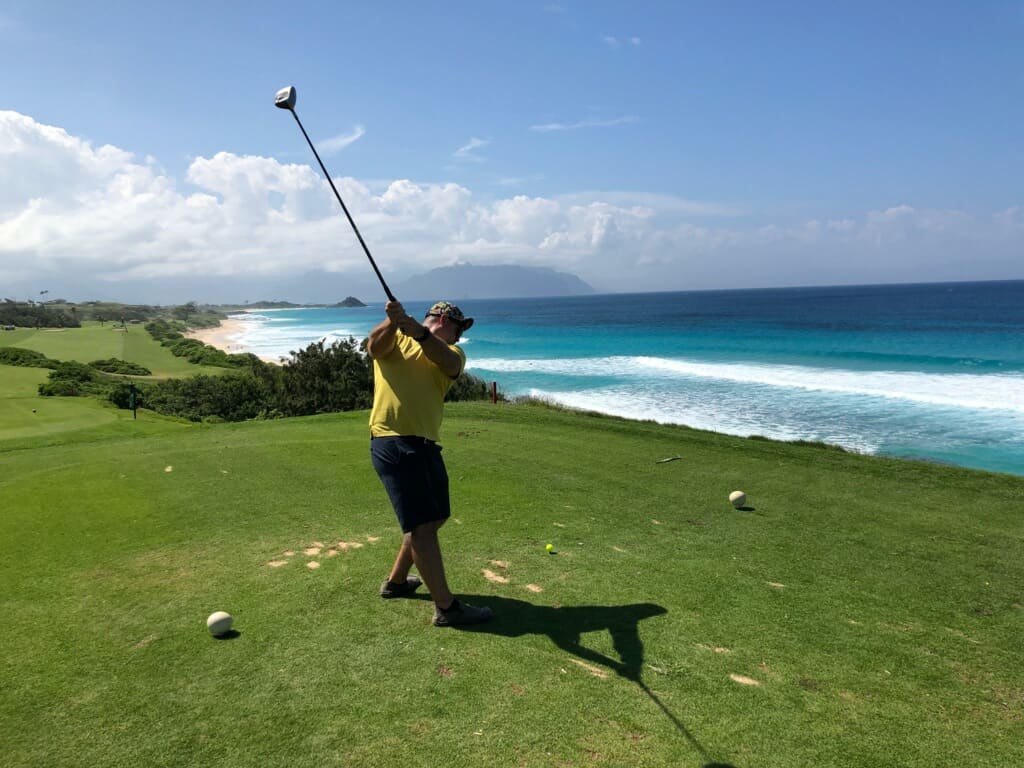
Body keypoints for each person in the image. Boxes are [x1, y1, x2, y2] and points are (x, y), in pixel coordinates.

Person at [366, 300, 493, 627]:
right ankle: (447, 609)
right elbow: (374, 348)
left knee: (436, 517)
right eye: (459, 329)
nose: (460, 338)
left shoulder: (450, 351)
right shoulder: (394, 338)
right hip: (393, 440)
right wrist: (393, 322)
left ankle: (396, 583)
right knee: (422, 526)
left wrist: (419, 332)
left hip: (424, 444)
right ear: (443, 319)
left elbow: (448, 362)